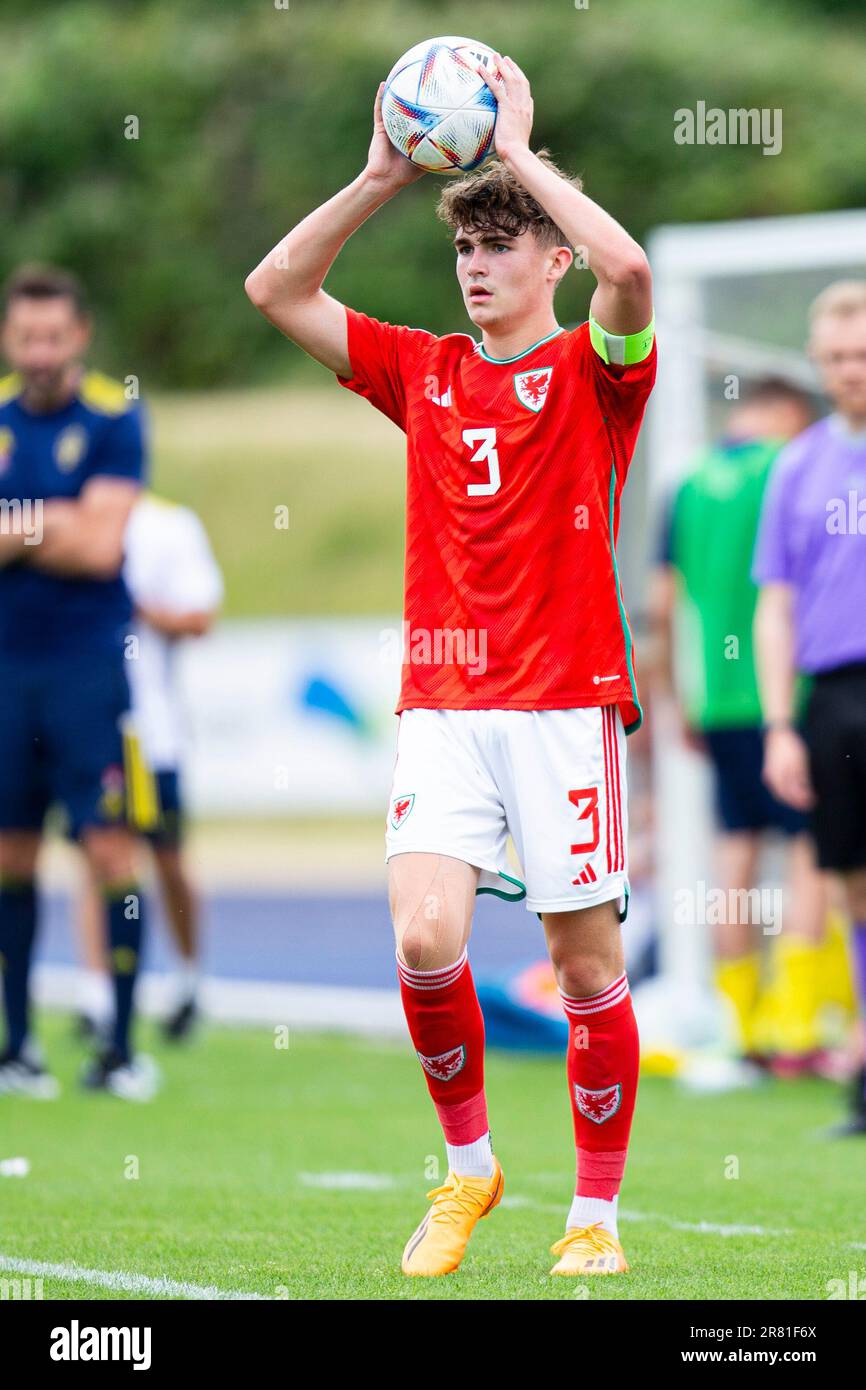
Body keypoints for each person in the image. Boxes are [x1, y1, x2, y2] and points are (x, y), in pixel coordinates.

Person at [246, 54, 655, 1277]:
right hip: (444, 701)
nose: (476, 266)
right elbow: (275, 286)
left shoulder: (595, 371)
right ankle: (469, 1170)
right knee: (424, 937)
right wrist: (380, 173)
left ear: (550, 262)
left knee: (584, 966)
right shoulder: (421, 371)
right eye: (463, 248)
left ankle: (596, 1216)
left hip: (563, 703)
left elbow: (632, 270)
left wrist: (520, 154)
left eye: (501, 246)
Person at [0, 264, 155, 1101]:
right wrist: (54, 521)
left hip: (92, 674)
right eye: (27, 338)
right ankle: (18, 1048)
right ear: (8, 339)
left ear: (80, 336)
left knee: (109, 852)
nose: (41, 352)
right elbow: (77, 530)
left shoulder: (114, 415)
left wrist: (17, 528)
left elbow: (102, 548)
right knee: (9, 857)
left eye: (55, 337)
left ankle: (120, 1050)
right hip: (4, 670)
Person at [650, 379, 833, 1074]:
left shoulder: (687, 484)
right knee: (811, 849)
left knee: (736, 851)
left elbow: (662, 604)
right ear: (790, 413)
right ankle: (796, 1022)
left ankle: (740, 1024)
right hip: (792, 689)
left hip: (716, 699)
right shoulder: (792, 467)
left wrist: (676, 697)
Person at [754, 281, 866, 1136]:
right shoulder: (797, 464)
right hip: (832, 698)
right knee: (852, 890)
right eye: (833, 358)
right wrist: (781, 725)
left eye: (860, 356)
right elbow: (775, 603)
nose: (848, 371)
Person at [76, 493, 223, 1043]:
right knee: (96, 854)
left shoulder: (167, 526)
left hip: (151, 731)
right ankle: (98, 997)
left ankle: (187, 980)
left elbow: (200, 616)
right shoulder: (66, 518)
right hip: (86, 726)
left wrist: (131, 604)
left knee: (166, 859)